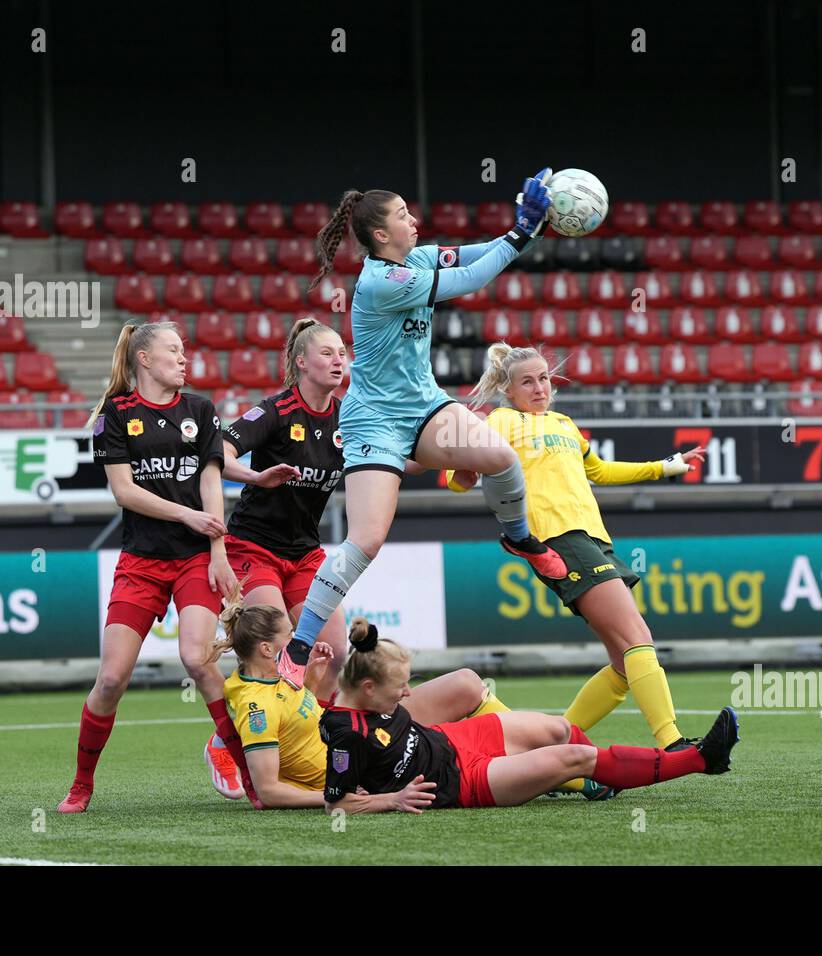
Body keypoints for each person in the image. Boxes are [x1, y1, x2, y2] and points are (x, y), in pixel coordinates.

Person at [276, 171, 570, 688]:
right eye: (403, 217)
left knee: (501, 459)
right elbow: (470, 281)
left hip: (425, 406)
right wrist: (523, 234)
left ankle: (519, 538)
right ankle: (299, 646)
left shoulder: (414, 257)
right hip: (374, 421)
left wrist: (529, 228)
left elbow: (475, 254)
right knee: (366, 540)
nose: (415, 221)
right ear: (381, 236)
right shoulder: (382, 281)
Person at [444, 343, 703, 766]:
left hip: (593, 537)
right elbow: (458, 479)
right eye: (527, 381)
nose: (539, 387)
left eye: (544, 378)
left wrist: (666, 465)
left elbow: (599, 470)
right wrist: (466, 462)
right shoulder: (501, 421)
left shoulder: (563, 423)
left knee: (623, 664)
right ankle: (673, 742)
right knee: (637, 636)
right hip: (556, 537)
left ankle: (546, 745)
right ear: (507, 390)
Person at [57, 320, 252, 813]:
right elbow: (123, 491)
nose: (184, 359)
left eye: (184, 351)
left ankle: (247, 772)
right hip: (142, 561)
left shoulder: (201, 409)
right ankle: (82, 784)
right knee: (110, 679)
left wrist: (219, 552)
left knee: (197, 660)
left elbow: (212, 485)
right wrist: (186, 514)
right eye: (173, 350)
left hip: (194, 559)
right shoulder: (116, 414)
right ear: (143, 359)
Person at [321, 619, 739, 813]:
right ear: (370, 689)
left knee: (559, 729)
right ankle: (700, 760)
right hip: (464, 782)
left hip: (458, 740)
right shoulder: (346, 735)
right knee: (570, 759)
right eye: (401, 687)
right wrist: (392, 799)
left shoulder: (364, 690)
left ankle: (599, 781)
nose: (410, 693)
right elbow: (336, 806)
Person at [198, 317, 351, 798]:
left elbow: (392, 458)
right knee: (278, 651)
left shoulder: (349, 416)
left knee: (336, 651)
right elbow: (216, 451)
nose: (338, 359)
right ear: (301, 361)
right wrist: (256, 477)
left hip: (304, 551)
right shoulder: (275, 410)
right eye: (326, 352)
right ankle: (224, 745)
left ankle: (302, 748)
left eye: (342, 352)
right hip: (253, 546)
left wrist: (450, 456)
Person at [205, 584, 514, 809]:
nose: (298, 640)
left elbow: (299, 723)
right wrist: (337, 796)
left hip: (364, 732)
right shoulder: (256, 706)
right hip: (367, 761)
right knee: (488, 734)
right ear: (266, 649)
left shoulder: (276, 676)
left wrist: (313, 677)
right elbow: (269, 792)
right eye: (290, 635)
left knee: (466, 684)